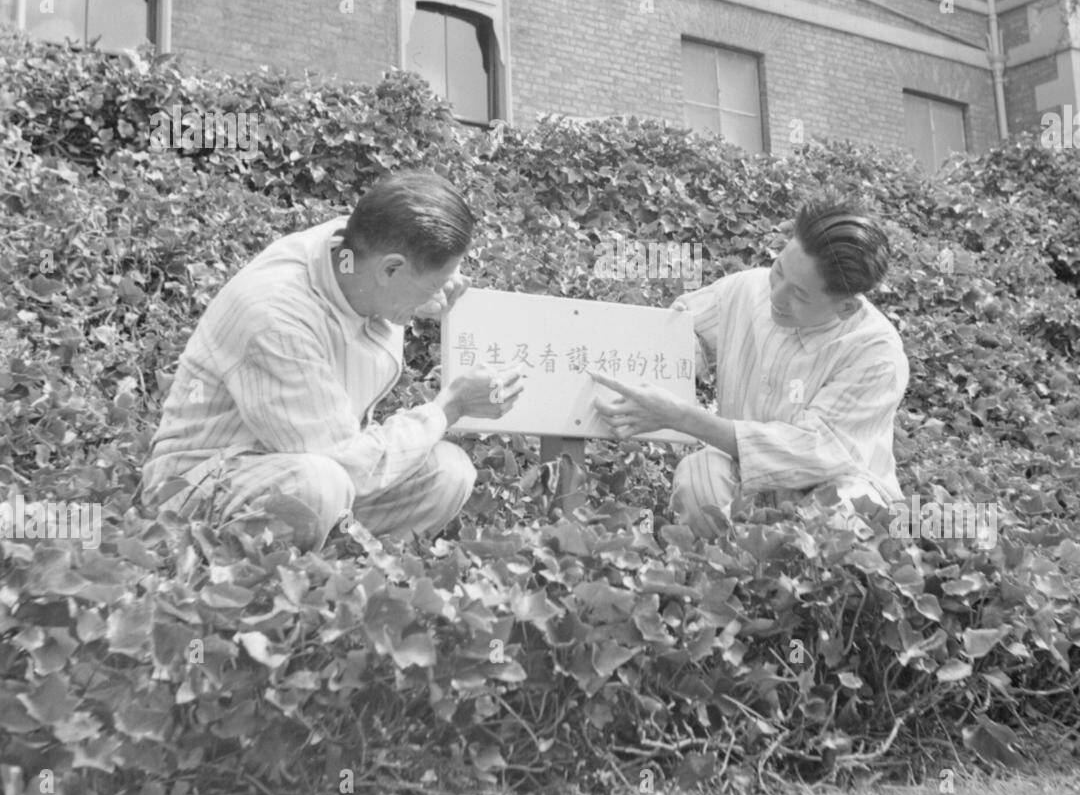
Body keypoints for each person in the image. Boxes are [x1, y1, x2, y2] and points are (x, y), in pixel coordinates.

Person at [141, 169, 526, 547]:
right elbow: (348, 463)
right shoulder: (276, 317)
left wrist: (414, 297)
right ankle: (261, 579)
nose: (443, 293)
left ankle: (338, 568)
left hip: (312, 463)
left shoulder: (357, 252)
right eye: (436, 284)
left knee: (448, 472)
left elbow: (345, 453)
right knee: (319, 486)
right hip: (197, 489)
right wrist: (450, 406)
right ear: (390, 269)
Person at [589, 200, 908, 538]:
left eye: (799, 295)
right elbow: (684, 321)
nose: (776, 297)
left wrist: (681, 417)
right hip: (746, 474)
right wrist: (688, 345)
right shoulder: (747, 288)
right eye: (780, 270)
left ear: (846, 307)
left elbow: (810, 451)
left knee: (842, 514)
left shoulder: (877, 354)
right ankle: (732, 574)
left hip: (836, 482)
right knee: (700, 477)